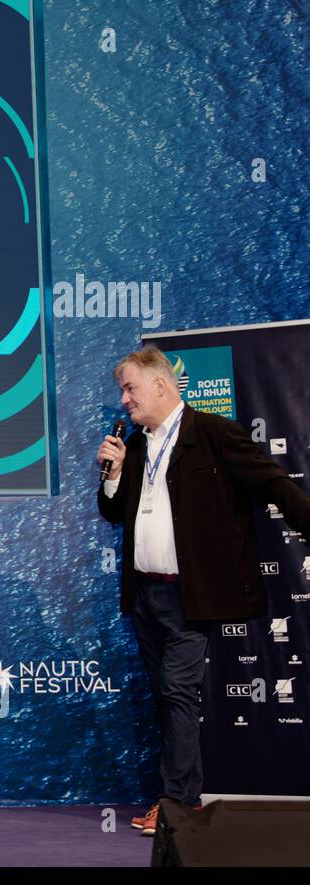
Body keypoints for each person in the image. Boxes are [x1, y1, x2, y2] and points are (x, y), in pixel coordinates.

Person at [97, 346, 310, 836]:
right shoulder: (137, 444)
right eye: (122, 391)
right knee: (168, 696)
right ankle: (177, 797)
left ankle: (178, 804)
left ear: (160, 385)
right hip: (146, 595)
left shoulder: (213, 435)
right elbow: (114, 513)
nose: (125, 399)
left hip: (192, 595)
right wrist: (111, 475)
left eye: (130, 388)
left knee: (176, 691)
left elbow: (273, 483)